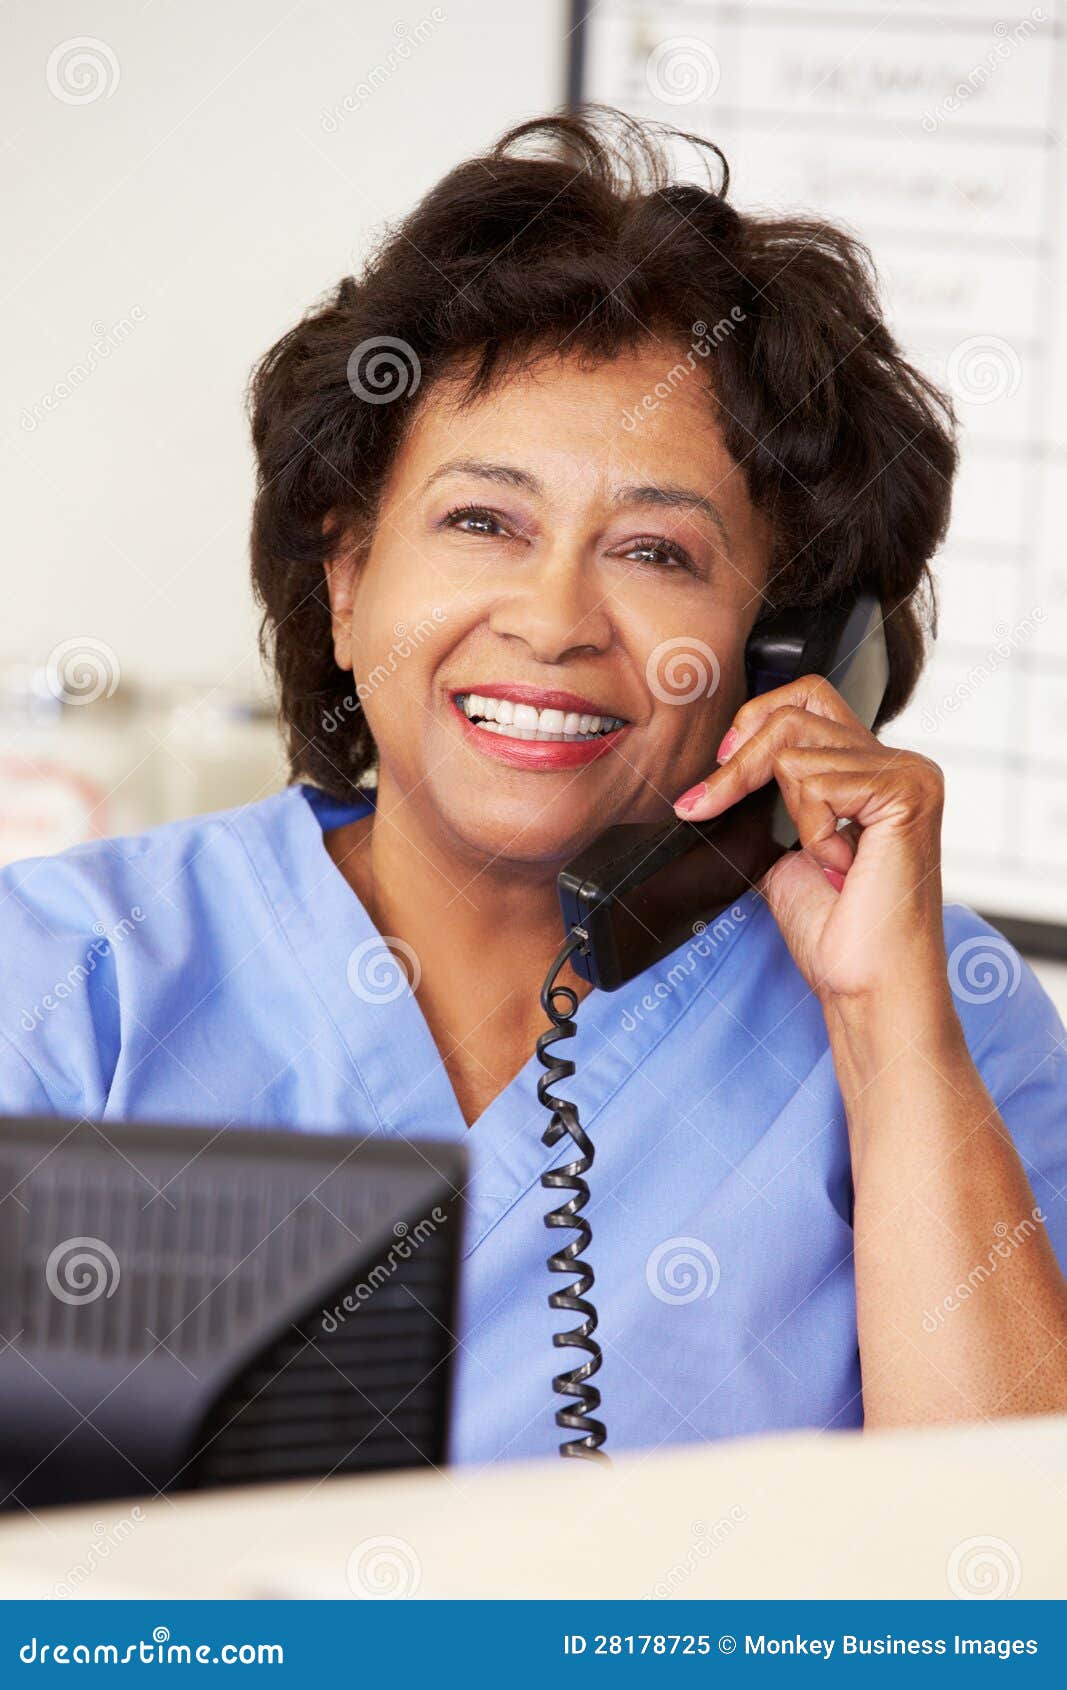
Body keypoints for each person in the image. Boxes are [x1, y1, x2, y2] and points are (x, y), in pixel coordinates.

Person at [5, 109, 1066, 1466]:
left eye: (658, 552)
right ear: (345, 578)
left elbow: (1007, 1588)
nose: (556, 618)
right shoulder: (63, 980)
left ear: (783, 648)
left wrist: (889, 1038)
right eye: (483, 521)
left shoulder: (944, 1009)